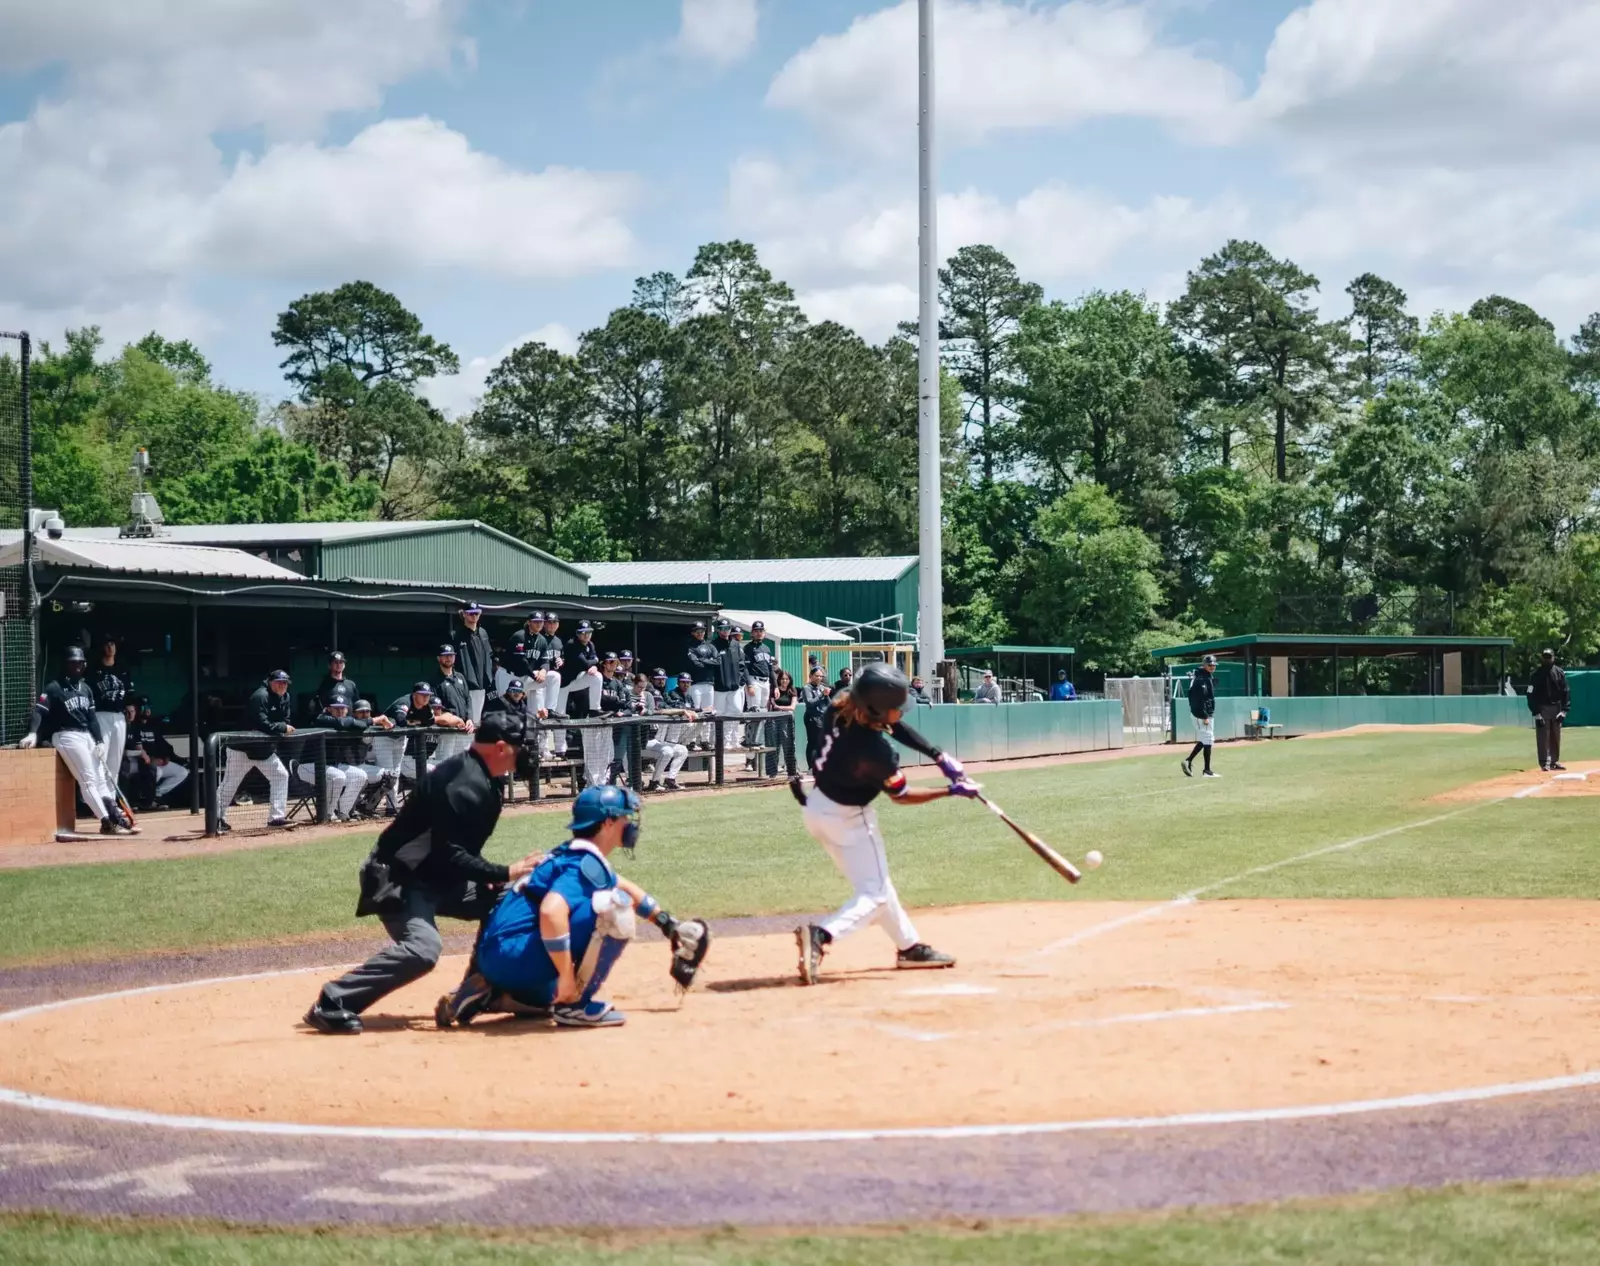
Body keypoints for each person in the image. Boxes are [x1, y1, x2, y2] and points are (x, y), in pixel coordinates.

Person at [303, 712, 543, 1035]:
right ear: (500, 748)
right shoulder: (461, 783)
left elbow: (457, 851)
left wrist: (493, 876)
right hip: (399, 879)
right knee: (423, 950)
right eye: (521, 746)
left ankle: (479, 987)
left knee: (510, 897)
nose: (528, 752)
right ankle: (333, 1001)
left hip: (439, 877)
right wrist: (505, 870)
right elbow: (451, 853)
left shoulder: (485, 777)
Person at [434, 786, 709, 1030]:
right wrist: (567, 977)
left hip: (496, 956)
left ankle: (492, 995)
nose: (630, 823)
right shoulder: (585, 864)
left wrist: (665, 922)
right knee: (614, 911)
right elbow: (551, 911)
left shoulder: (571, 853)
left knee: (547, 999)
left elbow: (621, 884)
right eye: (625, 817)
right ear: (608, 823)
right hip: (517, 955)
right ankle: (575, 1005)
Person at [792, 663, 975, 984]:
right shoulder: (875, 751)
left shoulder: (841, 710)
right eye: (894, 708)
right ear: (876, 711)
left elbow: (893, 725)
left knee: (877, 885)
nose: (900, 713)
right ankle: (821, 935)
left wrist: (937, 755)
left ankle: (909, 947)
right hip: (850, 820)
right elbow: (901, 795)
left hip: (818, 810)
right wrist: (950, 790)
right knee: (874, 894)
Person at [19, 646, 134, 835]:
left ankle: (114, 816)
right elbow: (39, 711)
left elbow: (92, 720)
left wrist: (98, 741)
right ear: (66, 665)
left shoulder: (86, 689)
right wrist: (33, 733)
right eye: (73, 663)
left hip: (86, 736)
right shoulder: (54, 687)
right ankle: (106, 821)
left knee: (101, 779)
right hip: (66, 735)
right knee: (88, 779)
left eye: (80, 663)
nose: (77, 667)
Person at [214, 670, 295, 830]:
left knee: (280, 775)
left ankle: (276, 818)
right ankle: (216, 819)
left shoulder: (285, 697)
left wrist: (281, 726)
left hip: (263, 749)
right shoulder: (260, 696)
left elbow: (285, 720)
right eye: (279, 682)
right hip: (241, 749)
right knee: (230, 785)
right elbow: (261, 723)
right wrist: (281, 727)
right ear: (270, 682)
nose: (282, 685)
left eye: (285, 683)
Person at [307, 697, 369, 821]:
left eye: (342, 708)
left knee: (360, 775)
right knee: (338, 776)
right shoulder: (322, 719)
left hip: (332, 765)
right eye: (336, 708)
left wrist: (365, 721)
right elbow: (341, 723)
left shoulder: (347, 721)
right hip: (308, 765)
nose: (340, 711)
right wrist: (370, 720)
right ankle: (327, 814)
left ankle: (343, 812)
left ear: (347, 710)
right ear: (329, 709)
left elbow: (361, 723)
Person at [88, 635, 133, 798]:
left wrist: (130, 706)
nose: (110, 647)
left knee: (116, 759)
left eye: (112, 644)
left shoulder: (122, 668)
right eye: (107, 644)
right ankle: (99, 797)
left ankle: (111, 798)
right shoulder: (93, 670)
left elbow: (129, 691)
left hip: (119, 716)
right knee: (102, 757)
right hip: (100, 715)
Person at [127, 696, 187, 810]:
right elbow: (136, 748)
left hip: (155, 761)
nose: (147, 710)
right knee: (156, 771)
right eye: (144, 707)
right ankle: (145, 797)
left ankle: (157, 793)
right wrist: (150, 759)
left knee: (182, 772)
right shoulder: (133, 726)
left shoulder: (153, 724)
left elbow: (162, 744)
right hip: (138, 762)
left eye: (149, 707)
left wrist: (165, 757)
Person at [638, 669, 691, 791]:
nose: (661, 681)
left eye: (663, 679)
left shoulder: (663, 694)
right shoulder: (648, 694)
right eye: (658, 679)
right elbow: (660, 709)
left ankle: (670, 779)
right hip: (643, 741)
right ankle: (654, 782)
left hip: (655, 741)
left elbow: (666, 707)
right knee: (667, 751)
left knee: (682, 750)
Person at [353, 698, 402, 818]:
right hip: (349, 765)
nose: (364, 714)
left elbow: (392, 722)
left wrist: (387, 723)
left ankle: (366, 807)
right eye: (361, 712)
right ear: (354, 713)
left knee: (389, 776)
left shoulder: (372, 726)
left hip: (363, 765)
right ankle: (351, 808)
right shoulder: (351, 723)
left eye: (367, 712)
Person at [1529, 648, 1570, 772]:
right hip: (1542, 707)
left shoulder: (1559, 672)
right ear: (1542, 658)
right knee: (1543, 736)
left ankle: (1554, 761)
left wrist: (1564, 710)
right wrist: (1536, 712)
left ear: (1553, 658)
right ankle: (1544, 762)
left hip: (1556, 707)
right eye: (1545, 657)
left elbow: (1566, 691)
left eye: (1549, 657)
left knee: (1556, 735)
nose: (1547, 659)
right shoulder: (1536, 674)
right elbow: (1531, 694)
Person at [433, 643, 475, 762]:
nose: (448, 658)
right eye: (445, 656)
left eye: (451, 655)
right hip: (447, 731)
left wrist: (470, 719)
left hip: (464, 729)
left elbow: (468, 699)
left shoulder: (460, 677)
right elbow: (436, 709)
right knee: (445, 764)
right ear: (439, 658)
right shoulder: (434, 681)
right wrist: (452, 720)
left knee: (465, 764)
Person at [712, 620, 748, 752]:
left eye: (727, 628)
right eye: (722, 628)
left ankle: (733, 740)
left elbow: (741, 664)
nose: (725, 630)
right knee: (720, 715)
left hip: (734, 687)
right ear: (718, 630)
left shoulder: (735, 644)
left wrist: (739, 680)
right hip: (719, 687)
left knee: (736, 711)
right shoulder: (713, 645)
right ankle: (722, 741)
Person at [456, 602, 495, 724]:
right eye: (471, 614)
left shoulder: (483, 633)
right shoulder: (457, 635)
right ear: (464, 615)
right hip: (463, 685)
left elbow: (489, 655)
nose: (474, 617)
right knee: (463, 719)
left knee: (476, 720)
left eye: (476, 613)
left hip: (481, 685)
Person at [1181, 655, 1219, 779]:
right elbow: (1199, 699)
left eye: (1213, 665)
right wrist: (1205, 716)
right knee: (1208, 738)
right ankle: (1206, 770)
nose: (1212, 667)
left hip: (1206, 713)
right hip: (1201, 714)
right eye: (1210, 665)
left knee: (1208, 739)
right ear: (1204, 665)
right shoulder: (1201, 679)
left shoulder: (1206, 677)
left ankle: (1189, 761)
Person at [743, 620, 777, 752]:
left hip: (765, 681)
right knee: (754, 710)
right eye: (756, 631)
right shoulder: (748, 648)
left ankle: (756, 739)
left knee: (763, 711)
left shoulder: (767, 648)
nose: (759, 633)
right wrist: (749, 684)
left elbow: (770, 669)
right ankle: (749, 739)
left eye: (761, 631)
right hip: (754, 680)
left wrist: (776, 686)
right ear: (752, 633)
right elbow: (745, 668)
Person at [685, 621, 718, 749]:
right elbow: (695, 663)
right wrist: (708, 662)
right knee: (695, 712)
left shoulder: (710, 646)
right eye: (697, 631)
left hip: (709, 682)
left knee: (708, 712)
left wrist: (703, 660)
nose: (700, 633)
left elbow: (717, 661)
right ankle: (691, 741)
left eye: (702, 631)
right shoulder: (690, 647)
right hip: (696, 683)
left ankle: (705, 740)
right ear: (693, 632)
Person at [539, 612, 565, 754]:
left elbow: (563, 658)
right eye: (549, 622)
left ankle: (546, 749)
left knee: (548, 715)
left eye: (554, 622)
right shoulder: (540, 638)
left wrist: (562, 661)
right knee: (539, 714)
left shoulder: (558, 641)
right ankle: (537, 748)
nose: (552, 625)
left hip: (551, 684)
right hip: (539, 681)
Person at [767, 668, 798, 777]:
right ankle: (772, 772)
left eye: (787, 679)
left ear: (790, 680)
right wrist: (777, 708)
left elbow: (792, 707)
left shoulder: (792, 691)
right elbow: (770, 705)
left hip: (787, 720)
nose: (784, 681)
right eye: (782, 679)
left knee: (788, 745)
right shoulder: (774, 691)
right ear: (779, 680)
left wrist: (779, 707)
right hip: (774, 720)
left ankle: (792, 772)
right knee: (773, 745)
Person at [801, 667, 832, 772]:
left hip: (823, 717)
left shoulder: (822, 687)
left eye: (820, 676)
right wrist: (821, 695)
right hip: (812, 718)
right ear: (811, 676)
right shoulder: (807, 688)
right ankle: (811, 766)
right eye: (817, 676)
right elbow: (810, 703)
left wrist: (827, 696)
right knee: (813, 742)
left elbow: (829, 704)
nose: (819, 678)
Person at [312, 651, 358, 718]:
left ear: (344, 665)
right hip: (331, 723)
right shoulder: (324, 684)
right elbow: (319, 707)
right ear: (329, 665)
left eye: (341, 662)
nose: (338, 665)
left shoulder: (351, 685)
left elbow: (356, 704)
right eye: (335, 662)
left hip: (349, 722)